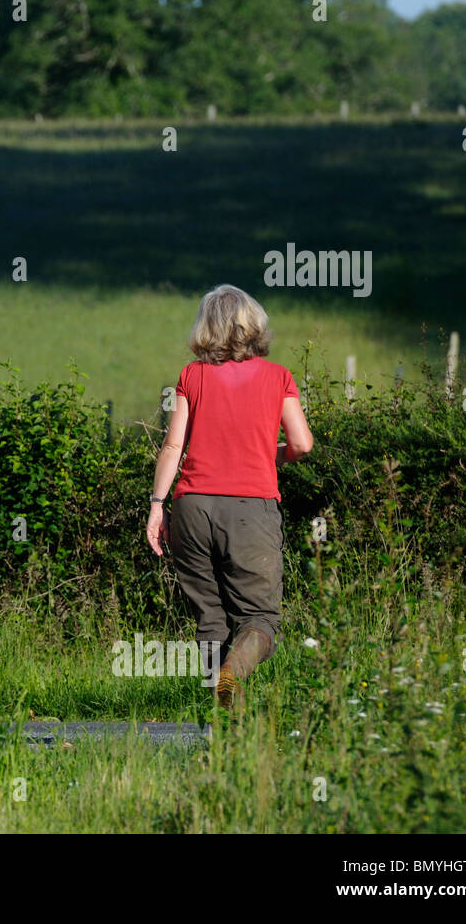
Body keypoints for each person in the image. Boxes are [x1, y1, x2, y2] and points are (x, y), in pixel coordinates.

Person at [146, 284, 313, 711]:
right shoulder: (279, 377)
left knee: (211, 619)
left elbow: (172, 448)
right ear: (253, 324)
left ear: (208, 328)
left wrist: (157, 505)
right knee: (260, 619)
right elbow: (302, 444)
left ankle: (224, 723)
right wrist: (272, 454)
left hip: (191, 506)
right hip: (250, 508)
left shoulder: (192, 375)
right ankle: (231, 679)